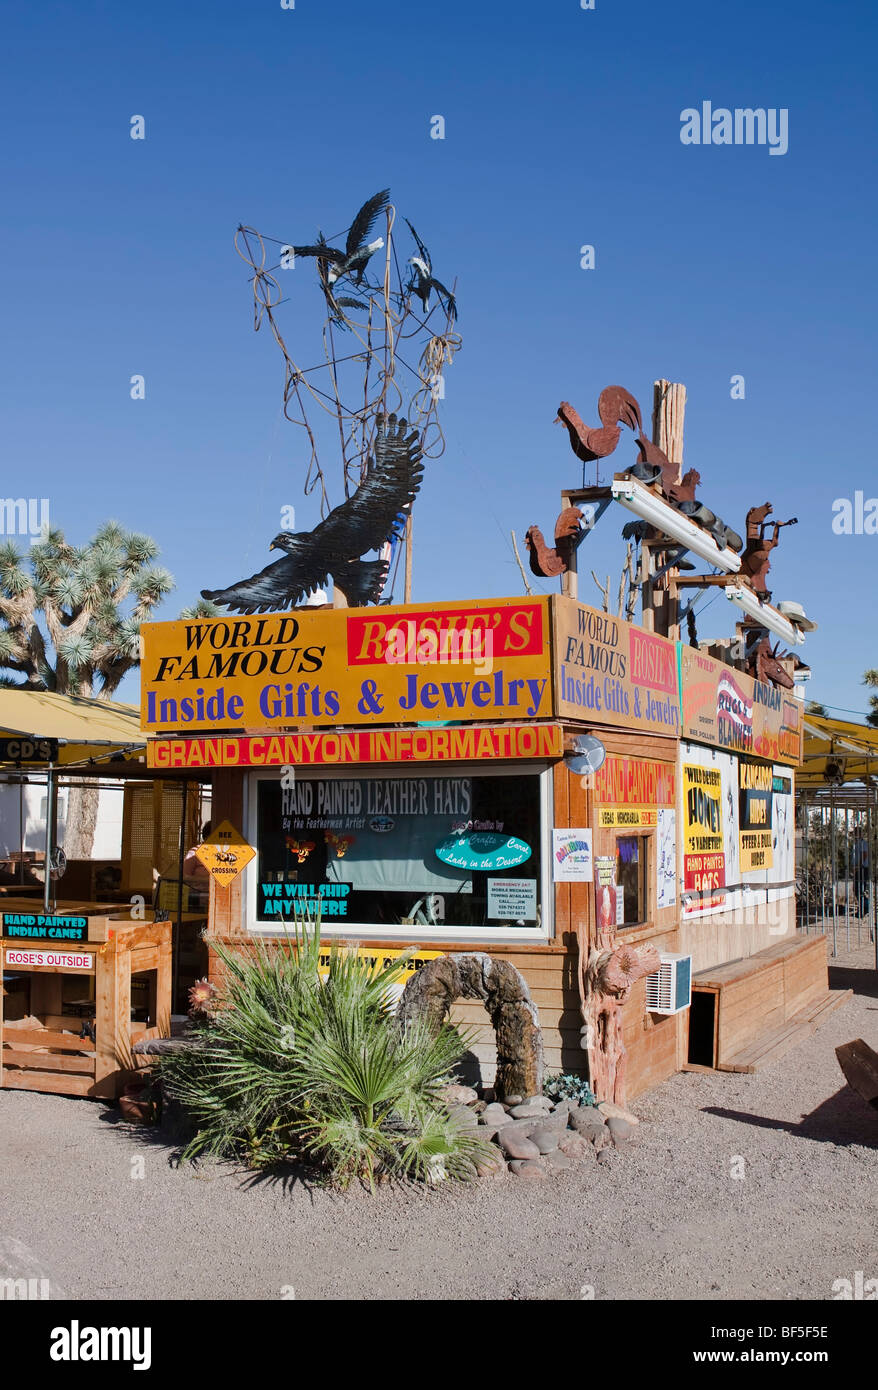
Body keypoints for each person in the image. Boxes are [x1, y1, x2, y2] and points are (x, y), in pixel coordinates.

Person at [852, 827, 870, 919]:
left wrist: (858, 866)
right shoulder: (857, 843)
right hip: (858, 868)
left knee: (859, 889)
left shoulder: (863, 843)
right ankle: (863, 908)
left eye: (855, 833)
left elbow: (864, 855)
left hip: (862, 868)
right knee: (856, 889)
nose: (854, 835)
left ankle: (865, 908)